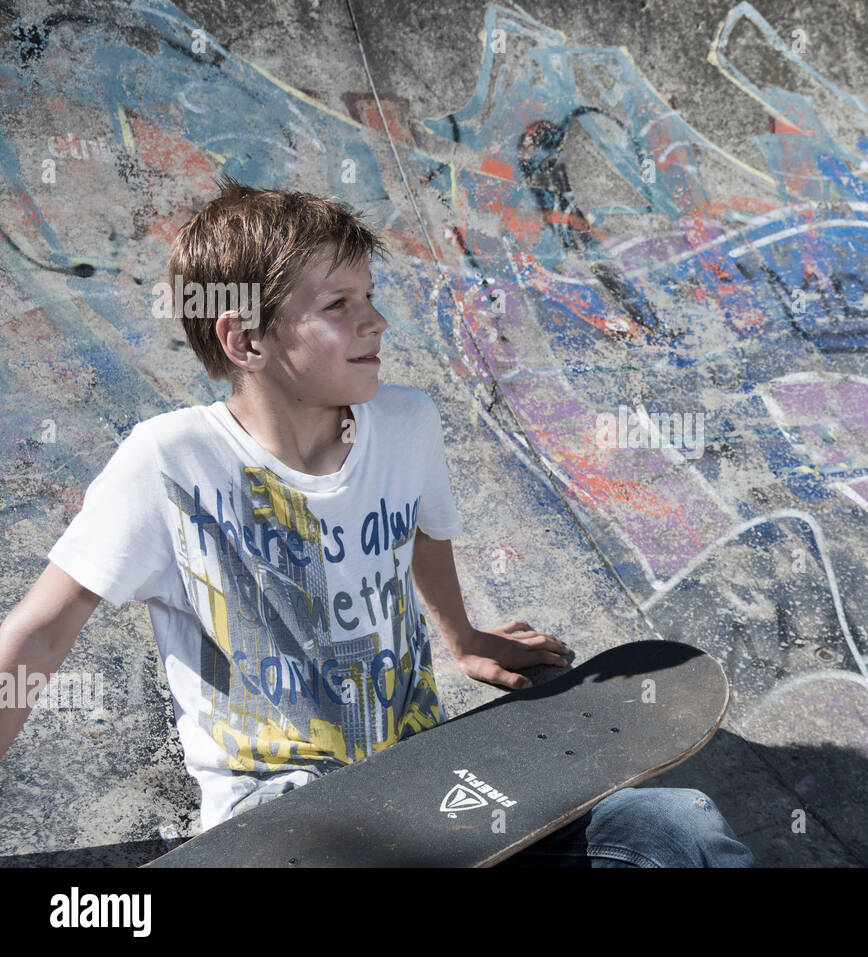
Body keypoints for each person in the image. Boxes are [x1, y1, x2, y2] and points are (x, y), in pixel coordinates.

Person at [0, 175, 753, 868]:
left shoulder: (405, 424)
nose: (377, 321)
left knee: (678, 826)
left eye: (370, 295)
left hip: (426, 783)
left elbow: (422, 528)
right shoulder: (171, 463)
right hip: (277, 820)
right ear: (244, 339)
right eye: (339, 305)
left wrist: (462, 637)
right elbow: (41, 629)